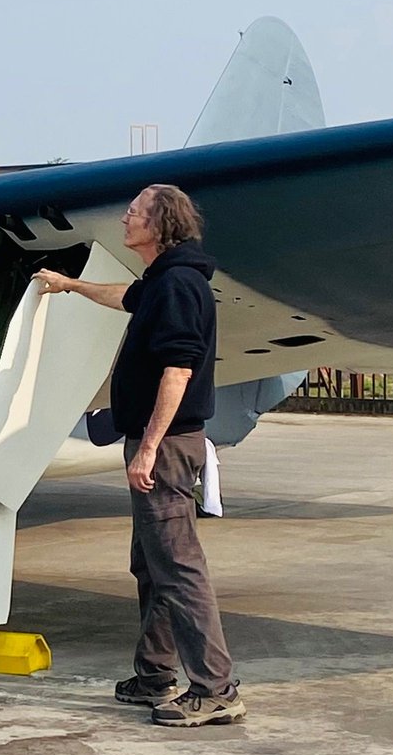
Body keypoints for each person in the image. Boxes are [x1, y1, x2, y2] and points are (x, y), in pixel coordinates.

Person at [35, 185, 243, 727]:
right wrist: (69, 285)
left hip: (168, 447)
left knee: (178, 568)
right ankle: (154, 674)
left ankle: (215, 689)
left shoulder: (177, 285)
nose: (125, 218)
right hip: (160, 444)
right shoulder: (161, 281)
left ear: (161, 224)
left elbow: (179, 371)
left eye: (135, 212)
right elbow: (121, 296)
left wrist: (147, 448)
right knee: (152, 566)